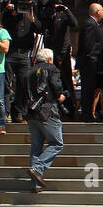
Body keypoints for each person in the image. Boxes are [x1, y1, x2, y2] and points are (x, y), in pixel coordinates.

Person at [26, 48, 67, 193]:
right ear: (50, 59)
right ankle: (37, 169)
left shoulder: (29, 71)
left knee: (36, 147)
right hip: (48, 111)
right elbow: (56, 85)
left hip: (31, 112)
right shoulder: (52, 68)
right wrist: (60, 95)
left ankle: (35, 185)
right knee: (56, 143)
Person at [0, 0, 44, 124]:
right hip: (11, 53)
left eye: (25, 1)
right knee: (7, 84)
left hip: (25, 54)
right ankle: (6, 112)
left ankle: (19, 112)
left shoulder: (30, 14)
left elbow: (40, 29)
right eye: (20, 1)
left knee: (24, 83)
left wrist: (32, 18)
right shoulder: (9, 14)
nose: (22, 4)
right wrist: (11, 12)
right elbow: (4, 25)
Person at [77, 3, 103, 122]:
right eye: (102, 11)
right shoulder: (90, 24)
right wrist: (93, 59)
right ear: (97, 12)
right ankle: (87, 115)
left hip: (91, 63)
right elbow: (88, 45)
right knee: (88, 90)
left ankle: (88, 115)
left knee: (90, 90)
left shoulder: (93, 24)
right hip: (89, 64)